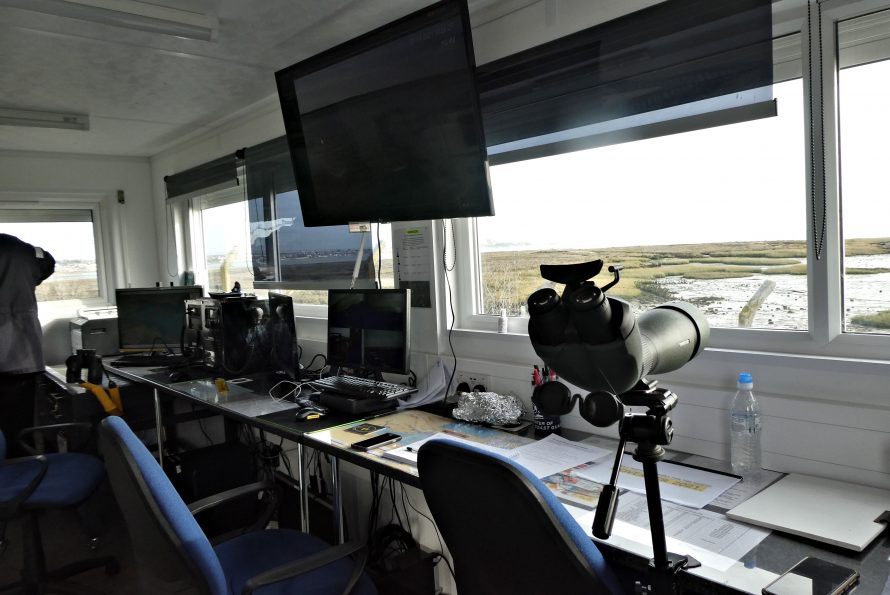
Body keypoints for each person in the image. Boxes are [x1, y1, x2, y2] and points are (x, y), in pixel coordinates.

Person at [0, 233, 55, 457]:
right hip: (20, 354)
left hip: (18, 353)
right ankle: (21, 480)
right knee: (18, 429)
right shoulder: (17, 247)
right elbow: (48, 262)